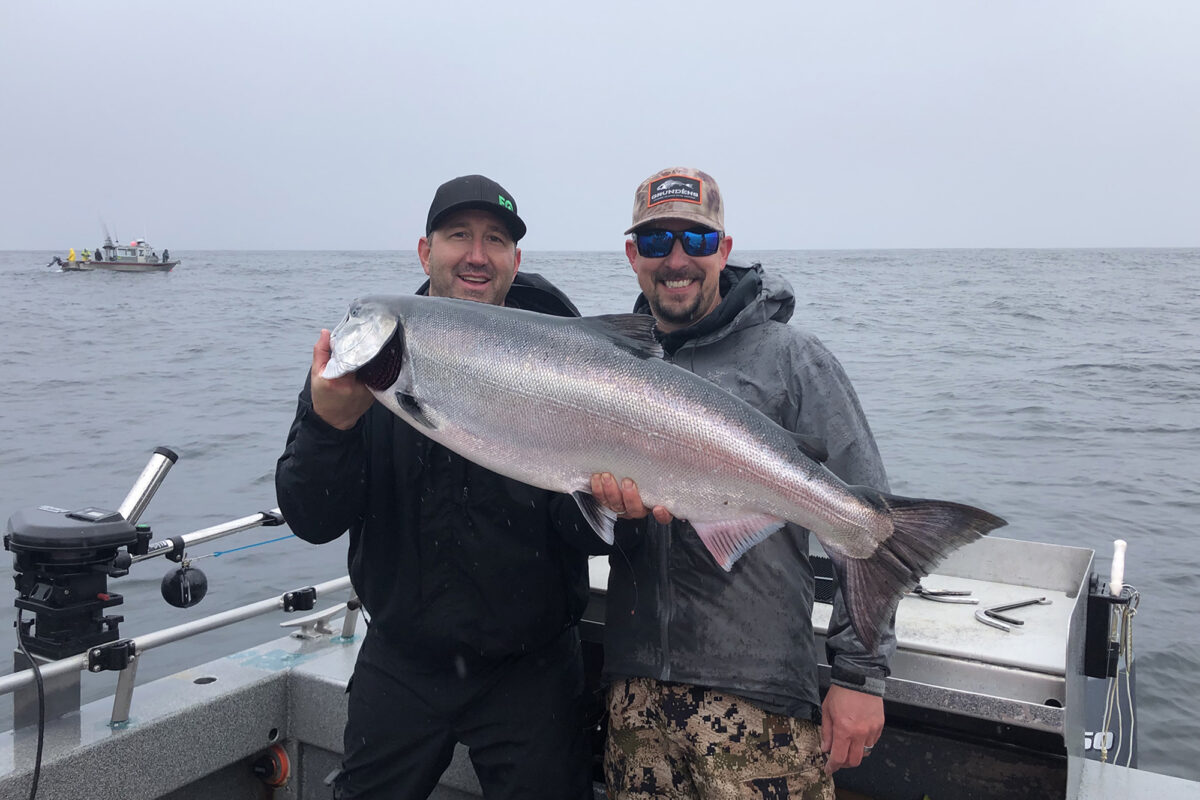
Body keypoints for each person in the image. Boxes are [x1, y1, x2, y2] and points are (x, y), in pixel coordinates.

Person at [275, 175, 597, 800]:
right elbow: (311, 516)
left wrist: (617, 508)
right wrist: (329, 426)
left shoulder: (565, 358)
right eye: (459, 236)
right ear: (426, 252)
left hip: (530, 665)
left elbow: (591, 537)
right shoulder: (363, 363)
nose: (477, 255)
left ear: (515, 260)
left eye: (495, 240)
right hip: (402, 661)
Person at [594, 167, 894, 799]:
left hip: (760, 703)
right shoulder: (608, 366)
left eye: (696, 242)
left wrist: (861, 676)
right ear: (632, 256)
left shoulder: (791, 358)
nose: (676, 260)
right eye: (656, 242)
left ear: (725, 250)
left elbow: (872, 527)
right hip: (635, 699)